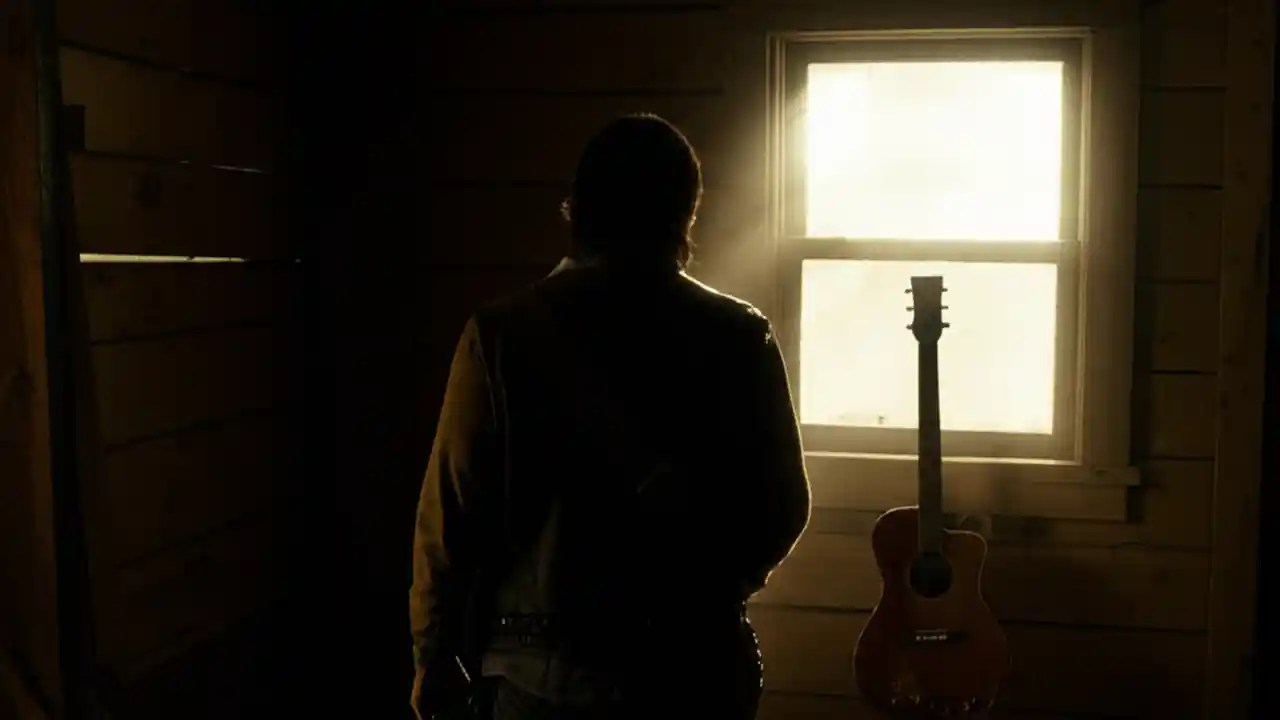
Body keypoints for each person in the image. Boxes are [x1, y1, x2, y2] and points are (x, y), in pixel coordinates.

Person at [409, 114, 811, 720]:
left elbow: (450, 520)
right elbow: (784, 507)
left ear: (576, 209)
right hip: (693, 673)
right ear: (686, 216)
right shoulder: (738, 336)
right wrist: (709, 593)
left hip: (540, 677)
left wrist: (433, 658)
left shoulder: (500, 337)